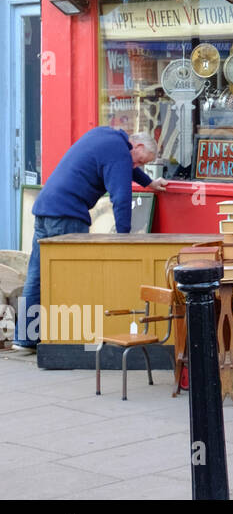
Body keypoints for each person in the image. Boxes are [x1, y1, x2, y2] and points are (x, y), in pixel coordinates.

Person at [14, 128, 168, 351]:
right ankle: (69, 342)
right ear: (139, 147)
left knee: (36, 277)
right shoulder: (120, 154)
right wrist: (124, 238)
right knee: (74, 279)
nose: (137, 167)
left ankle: (24, 339)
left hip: (45, 209)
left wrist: (148, 182)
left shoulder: (106, 137)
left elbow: (125, 168)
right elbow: (121, 197)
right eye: (140, 162)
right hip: (68, 216)